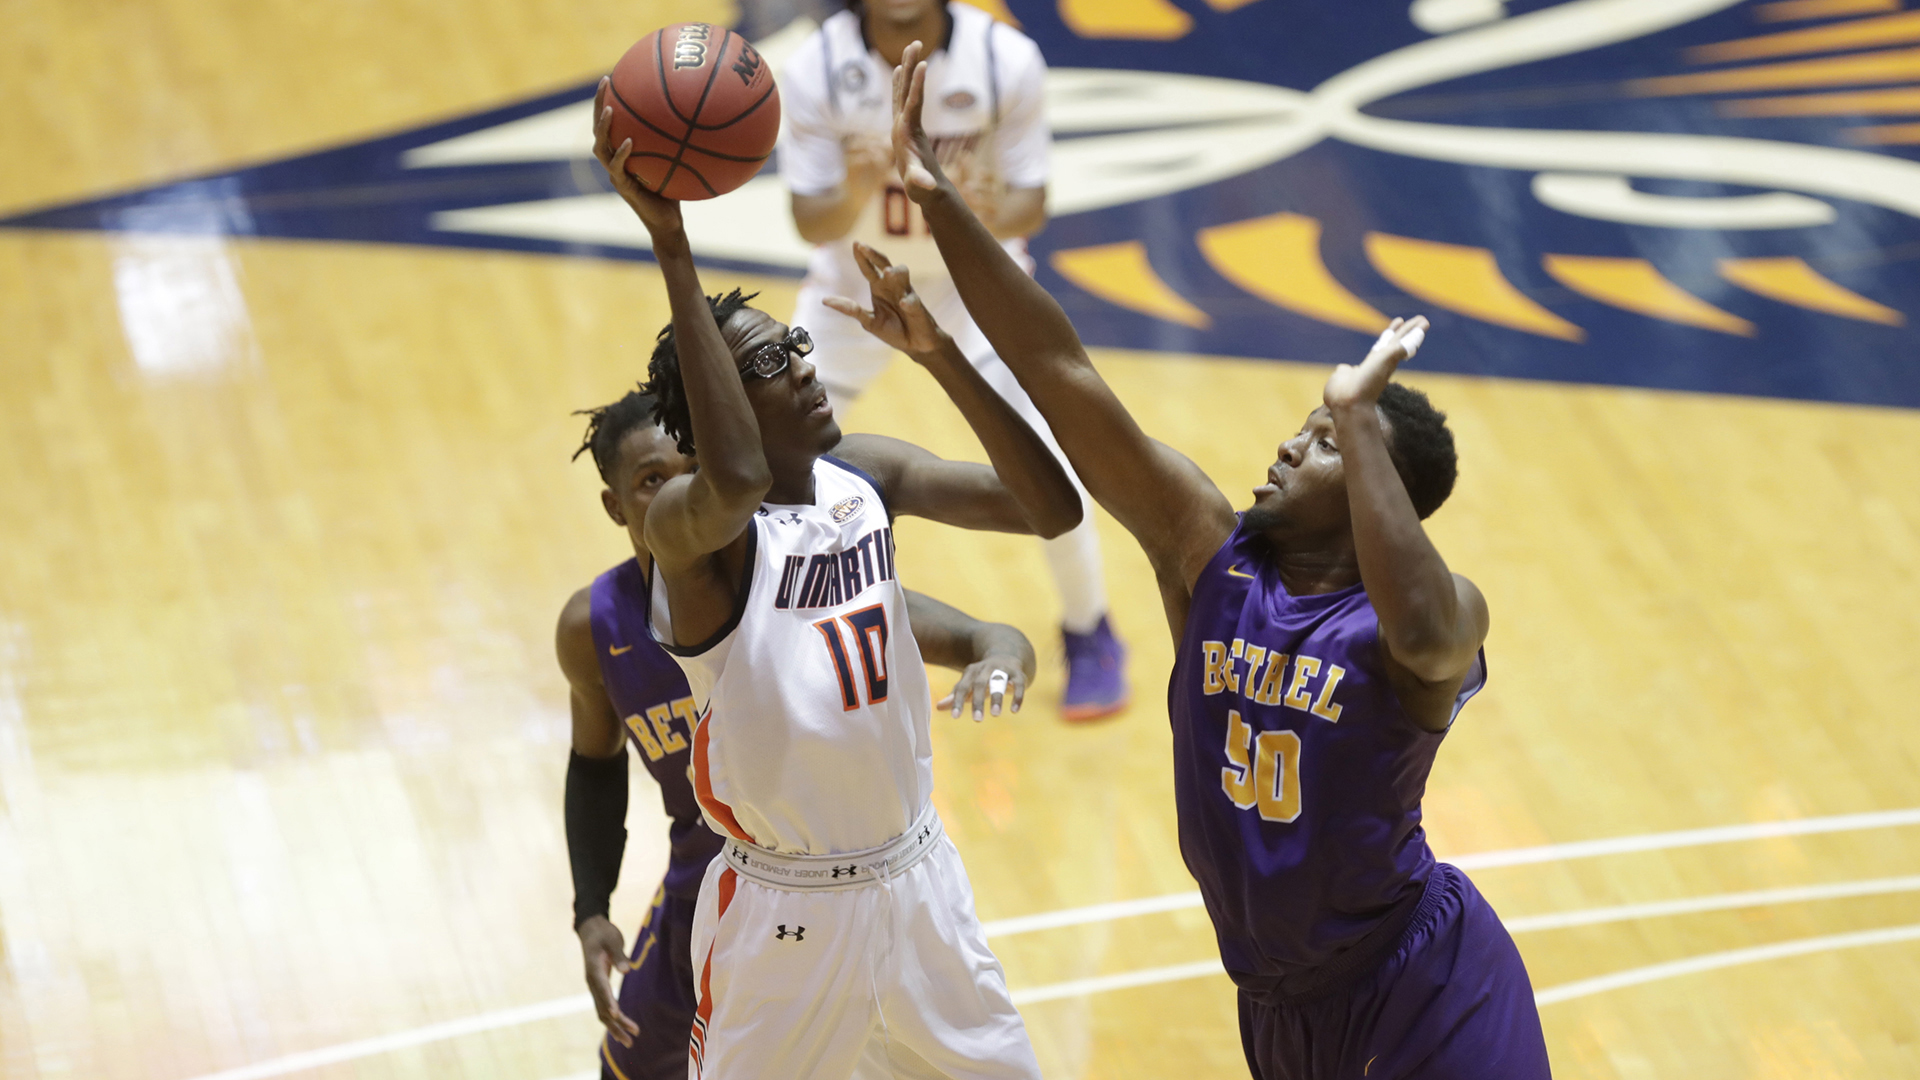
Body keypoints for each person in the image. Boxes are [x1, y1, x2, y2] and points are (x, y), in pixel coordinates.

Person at [885, 43, 1553, 1078]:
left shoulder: (1425, 617)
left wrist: (1360, 418)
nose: (1290, 445)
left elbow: (1425, 626)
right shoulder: (1210, 555)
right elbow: (1064, 374)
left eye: (1322, 441)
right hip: (1278, 1003)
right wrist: (937, 199)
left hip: (1425, 983)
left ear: (1381, 490)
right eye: (1308, 427)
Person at [589, 76, 1079, 1079]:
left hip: (919, 878)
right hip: (787, 914)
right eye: (772, 364)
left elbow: (1051, 507)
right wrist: (672, 245)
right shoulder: (695, 539)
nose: (807, 365)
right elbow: (731, 473)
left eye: (798, 345)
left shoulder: (868, 477)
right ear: (715, 412)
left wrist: (944, 357)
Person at [560, 389, 1044, 1080]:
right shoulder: (594, 628)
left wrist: (1001, 659)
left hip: (839, 882)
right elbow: (593, 765)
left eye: (689, 469)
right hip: (717, 886)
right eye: (649, 480)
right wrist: (591, 907)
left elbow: (984, 631)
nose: (676, 491)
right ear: (615, 507)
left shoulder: (798, 579)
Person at [779, 0, 1129, 720]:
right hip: (853, 283)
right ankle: (757, 628)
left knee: (1051, 468)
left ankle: (1091, 631)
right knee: (767, 458)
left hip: (977, 288)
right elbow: (809, 219)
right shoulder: (814, 66)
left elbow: (1031, 205)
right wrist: (856, 182)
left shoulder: (1007, 60)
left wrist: (973, 206)